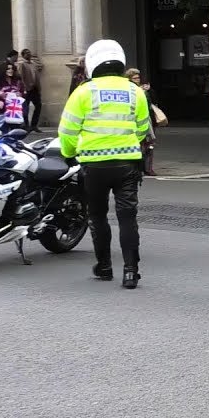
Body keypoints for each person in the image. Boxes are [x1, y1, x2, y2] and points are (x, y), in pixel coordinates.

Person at [58, 39, 151, 289]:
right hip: (127, 163)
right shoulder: (135, 91)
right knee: (127, 217)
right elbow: (143, 128)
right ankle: (131, 271)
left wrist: (69, 153)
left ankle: (105, 266)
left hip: (94, 165)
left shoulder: (83, 92)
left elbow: (67, 131)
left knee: (97, 216)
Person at [125, 68, 158, 176]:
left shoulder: (142, 90)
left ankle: (148, 168)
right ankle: (137, 168)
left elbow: (153, 102)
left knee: (149, 145)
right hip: (134, 122)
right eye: (135, 78)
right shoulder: (129, 91)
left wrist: (149, 90)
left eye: (138, 78)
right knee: (137, 146)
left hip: (147, 120)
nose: (137, 80)